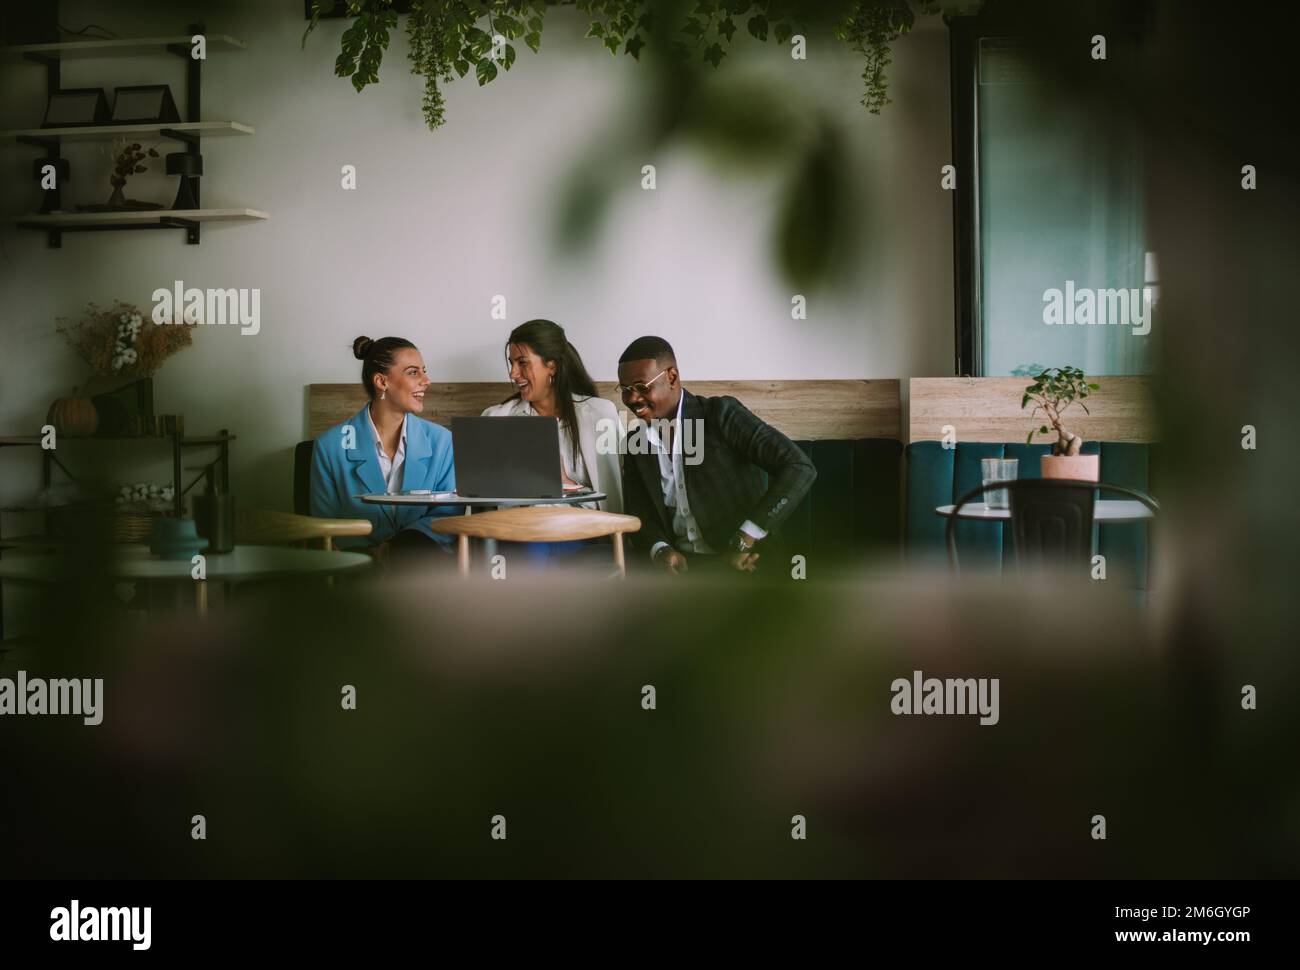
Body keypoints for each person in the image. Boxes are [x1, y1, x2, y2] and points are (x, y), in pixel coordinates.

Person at [617, 335, 816, 575]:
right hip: (684, 574)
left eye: (641, 387)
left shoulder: (720, 415)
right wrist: (661, 551)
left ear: (671, 377)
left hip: (748, 564)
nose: (632, 399)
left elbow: (798, 467)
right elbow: (641, 516)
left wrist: (745, 538)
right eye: (626, 390)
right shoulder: (634, 444)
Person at [310, 335, 456, 563]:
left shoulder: (443, 442)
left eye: (424, 370)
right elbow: (324, 529)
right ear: (382, 382)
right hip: (356, 573)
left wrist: (397, 552)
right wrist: (371, 557)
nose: (426, 380)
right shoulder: (329, 448)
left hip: (423, 571)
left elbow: (446, 519)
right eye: (413, 372)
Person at [481, 319, 623, 514]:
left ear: (552, 366)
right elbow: (486, 499)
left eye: (522, 363)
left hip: (582, 528)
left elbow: (612, 500)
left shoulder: (600, 415)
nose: (513, 373)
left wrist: (567, 485)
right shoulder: (495, 418)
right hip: (519, 527)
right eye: (511, 363)